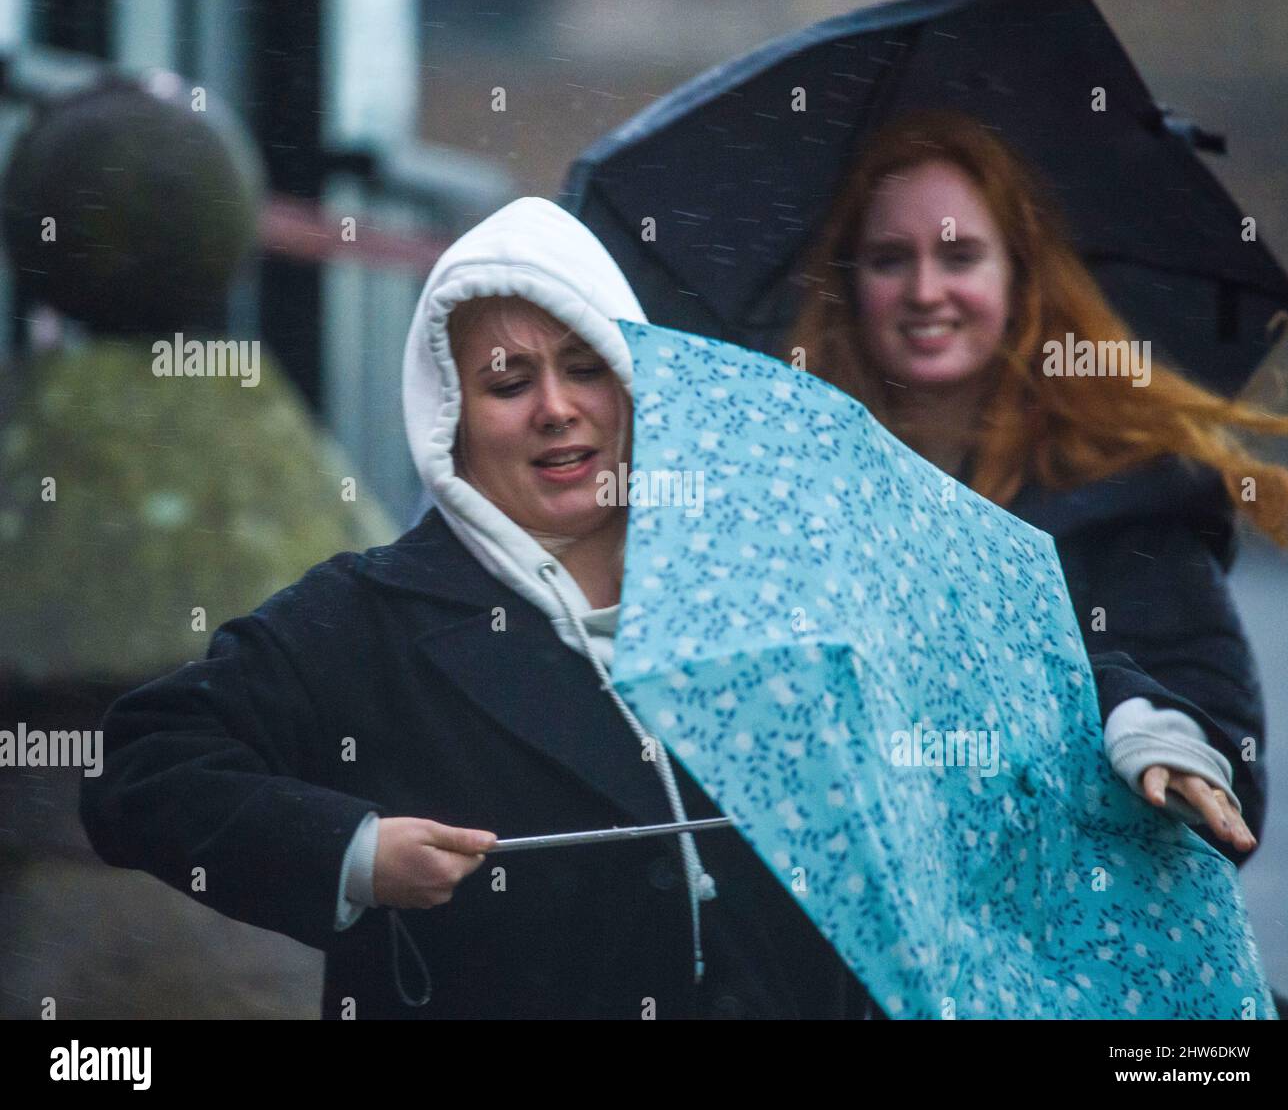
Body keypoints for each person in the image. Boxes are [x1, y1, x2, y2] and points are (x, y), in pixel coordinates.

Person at [79, 196, 892, 1019]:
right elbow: (140, 766)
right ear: (451, 419)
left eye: (585, 367)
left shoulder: (760, 595)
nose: (556, 407)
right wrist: (352, 852)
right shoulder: (368, 617)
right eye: (508, 381)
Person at [787, 109, 1288, 867]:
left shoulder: (1129, 495)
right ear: (850, 286)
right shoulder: (807, 493)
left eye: (959, 256)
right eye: (891, 259)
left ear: (1020, 278)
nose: (926, 289)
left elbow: (1225, 760)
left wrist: (1154, 732)